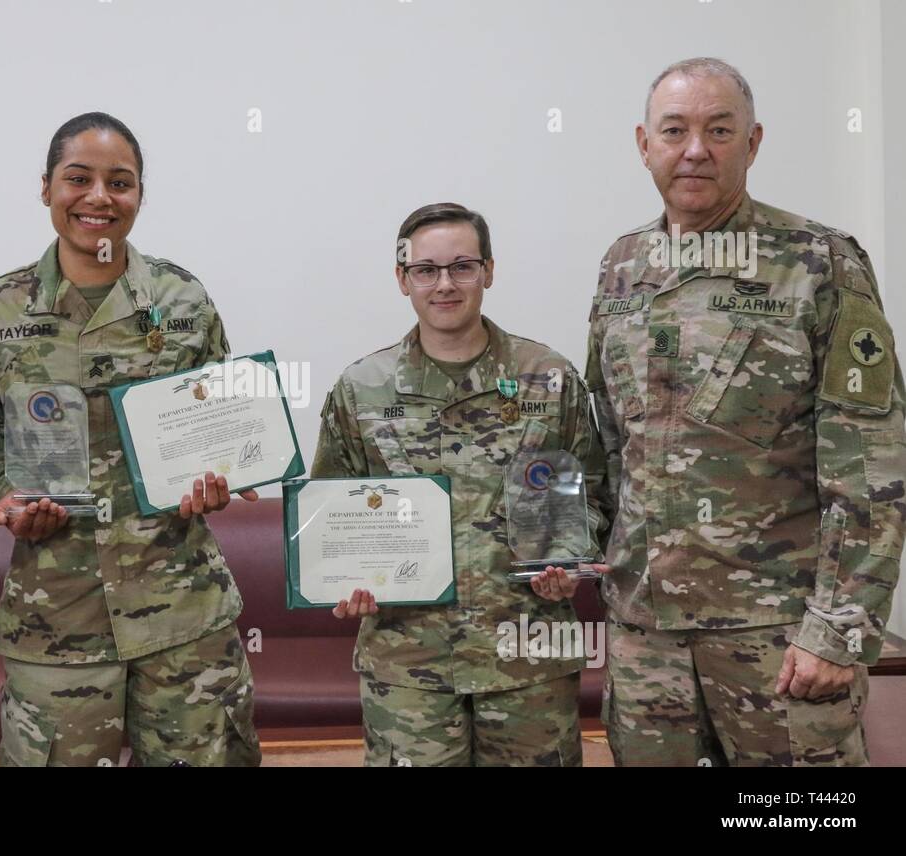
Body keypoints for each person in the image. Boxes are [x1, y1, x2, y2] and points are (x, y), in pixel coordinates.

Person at [587, 57, 905, 766]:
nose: (695, 149)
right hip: (648, 639)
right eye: (675, 130)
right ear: (645, 144)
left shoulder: (818, 262)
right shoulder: (621, 266)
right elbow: (609, 443)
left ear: (753, 142)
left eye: (718, 129)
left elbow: (873, 469)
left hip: (777, 637)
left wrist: (838, 630)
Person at [0, 112, 262, 767]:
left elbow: (221, 422)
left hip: (181, 614)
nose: (98, 198)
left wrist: (219, 475)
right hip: (55, 621)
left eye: (120, 183)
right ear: (46, 188)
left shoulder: (182, 301)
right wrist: (2, 495)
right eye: (77, 179)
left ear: (139, 195)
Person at [312, 202, 611, 766]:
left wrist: (572, 562)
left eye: (462, 266)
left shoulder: (548, 377)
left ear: (489, 271)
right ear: (403, 279)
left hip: (530, 652)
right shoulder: (362, 389)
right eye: (426, 269)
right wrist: (345, 580)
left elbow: (592, 492)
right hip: (409, 664)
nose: (444, 284)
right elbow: (329, 510)